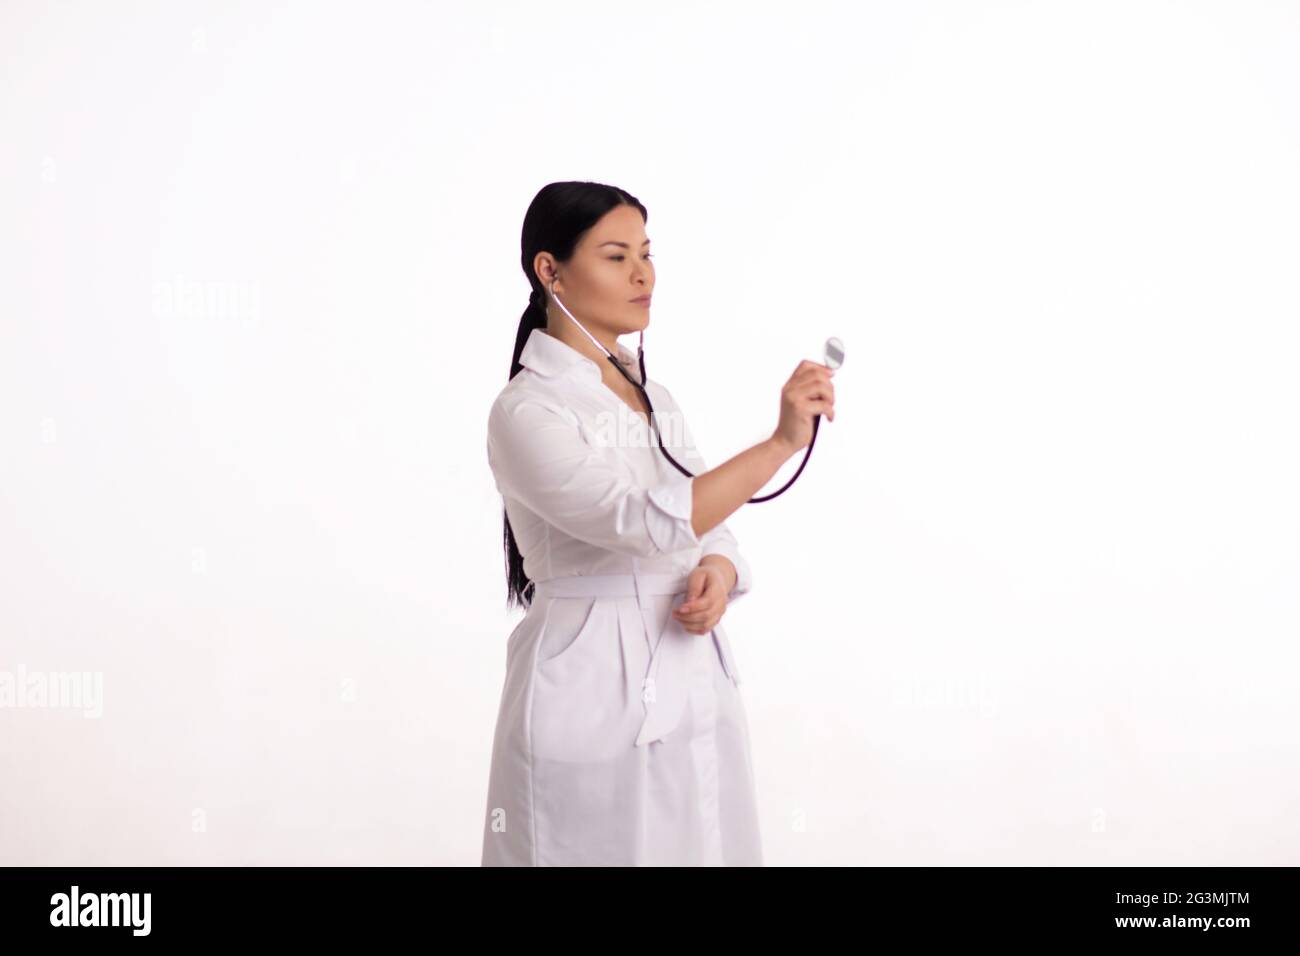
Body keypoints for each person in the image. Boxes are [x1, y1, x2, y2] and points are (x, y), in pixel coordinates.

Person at [480, 181, 836, 866]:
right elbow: (638, 522)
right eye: (616, 256)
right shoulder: (526, 412)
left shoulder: (655, 395)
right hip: (589, 696)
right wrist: (779, 443)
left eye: (647, 253)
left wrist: (717, 568)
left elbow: (705, 518)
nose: (643, 274)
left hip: (692, 676)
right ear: (549, 270)